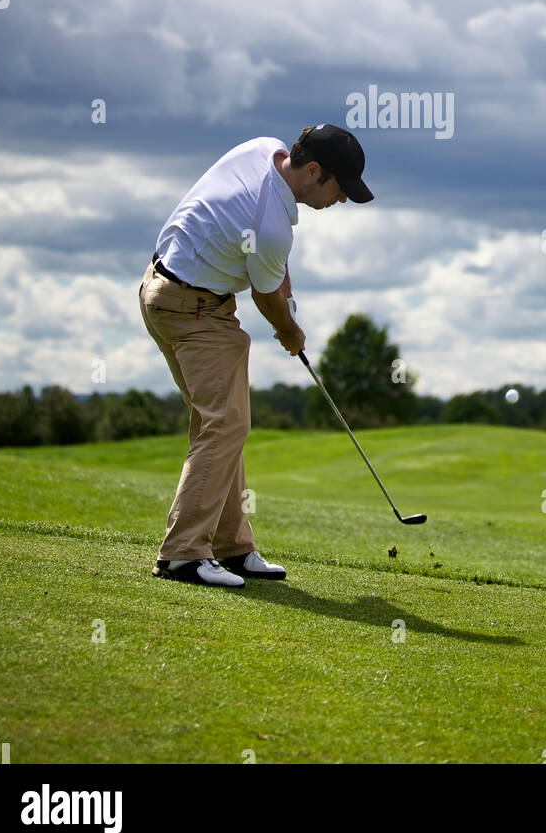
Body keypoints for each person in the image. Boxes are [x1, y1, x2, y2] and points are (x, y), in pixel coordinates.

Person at [138, 123, 374, 588]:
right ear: (312, 171)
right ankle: (183, 554)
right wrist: (291, 332)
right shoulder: (269, 227)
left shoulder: (265, 150)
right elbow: (268, 298)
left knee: (222, 423)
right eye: (340, 188)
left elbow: (273, 271)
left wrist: (283, 295)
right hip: (194, 309)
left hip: (166, 290)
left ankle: (232, 547)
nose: (342, 199)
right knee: (225, 425)